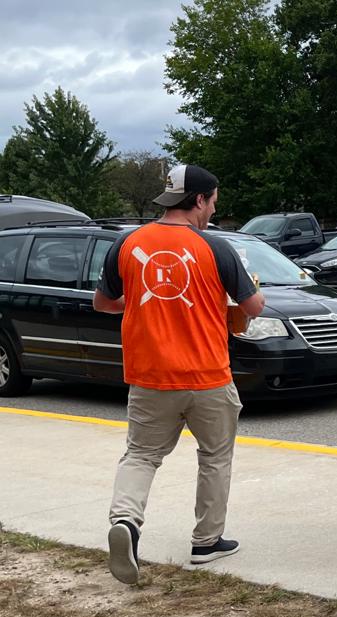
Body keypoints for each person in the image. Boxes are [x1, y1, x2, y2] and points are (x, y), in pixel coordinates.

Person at [94, 164, 266, 585]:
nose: (213, 211)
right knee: (214, 457)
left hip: (150, 375)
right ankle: (207, 541)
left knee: (141, 455)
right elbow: (255, 307)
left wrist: (139, 304)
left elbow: (103, 302)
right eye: (213, 203)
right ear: (200, 200)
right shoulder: (217, 248)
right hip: (208, 374)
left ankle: (126, 521)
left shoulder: (127, 243)